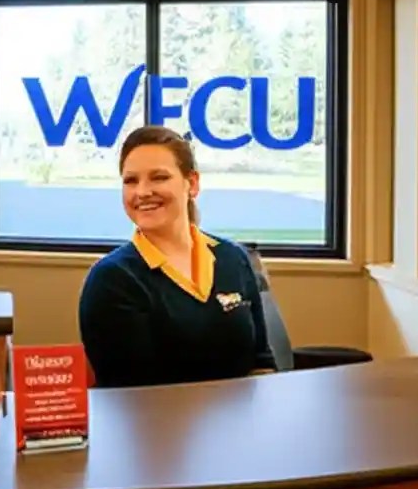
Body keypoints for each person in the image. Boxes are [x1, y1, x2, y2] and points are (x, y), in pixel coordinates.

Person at [78, 125, 278, 388]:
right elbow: (131, 394)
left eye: (159, 177)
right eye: (131, 181)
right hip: (158, 427)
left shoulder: (233, 258)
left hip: (244, 424)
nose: (142, 192)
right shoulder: (112, 279)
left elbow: (261, 363)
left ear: (192, 184)